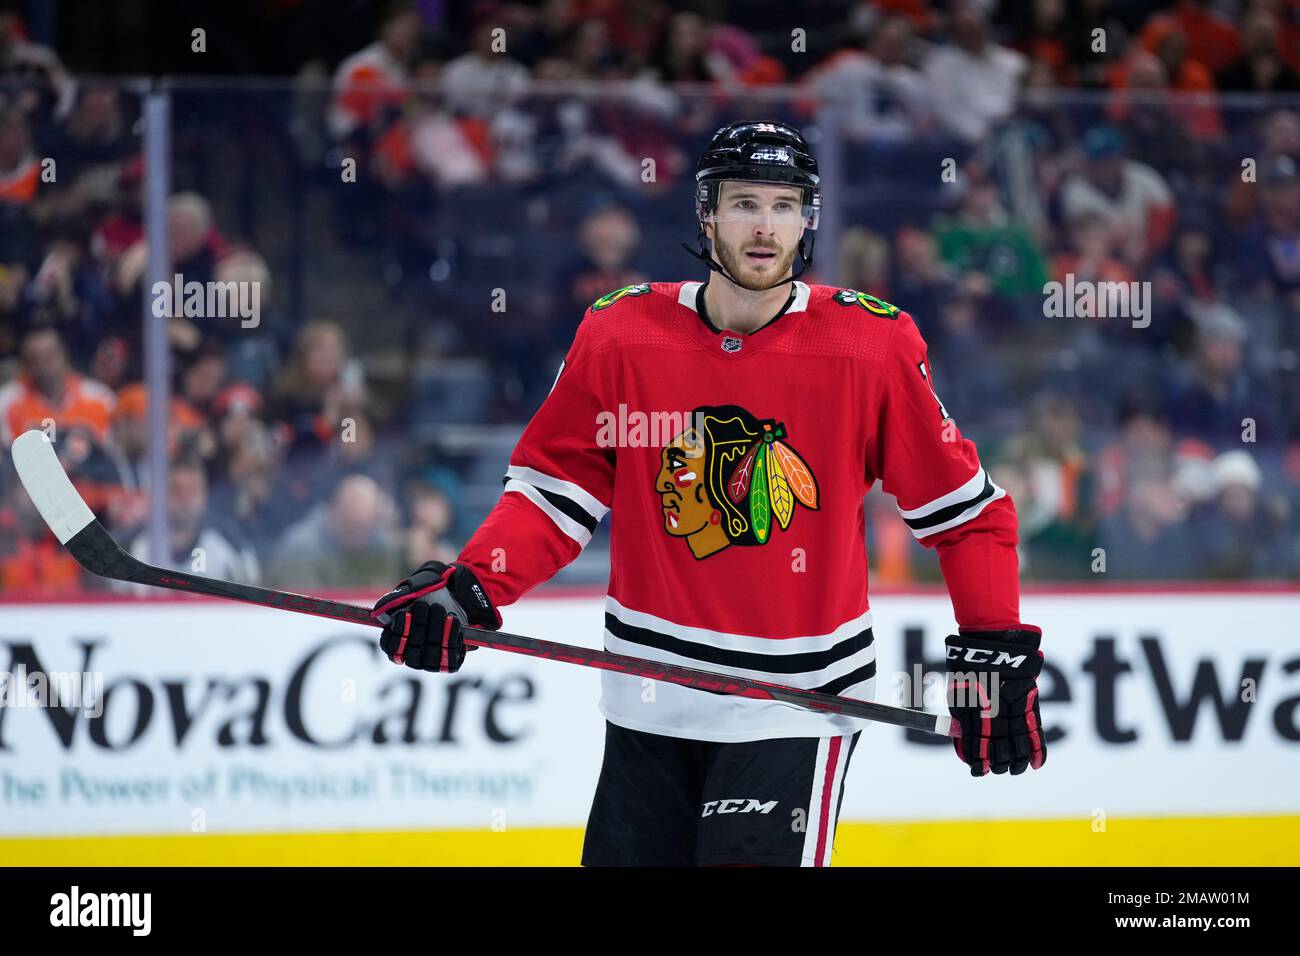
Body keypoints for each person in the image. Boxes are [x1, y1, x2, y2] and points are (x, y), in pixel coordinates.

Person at [370, 121, 1047, 867]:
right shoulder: (622, 331)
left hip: (794, 705)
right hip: (646, 698)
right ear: (707, 214)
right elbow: (551, 493)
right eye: (744, 203)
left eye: (785, 206)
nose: (765, 227)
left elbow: (970, 516)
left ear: (808, 219)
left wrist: (991, 645)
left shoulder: (870, 346)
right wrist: (468, 587)